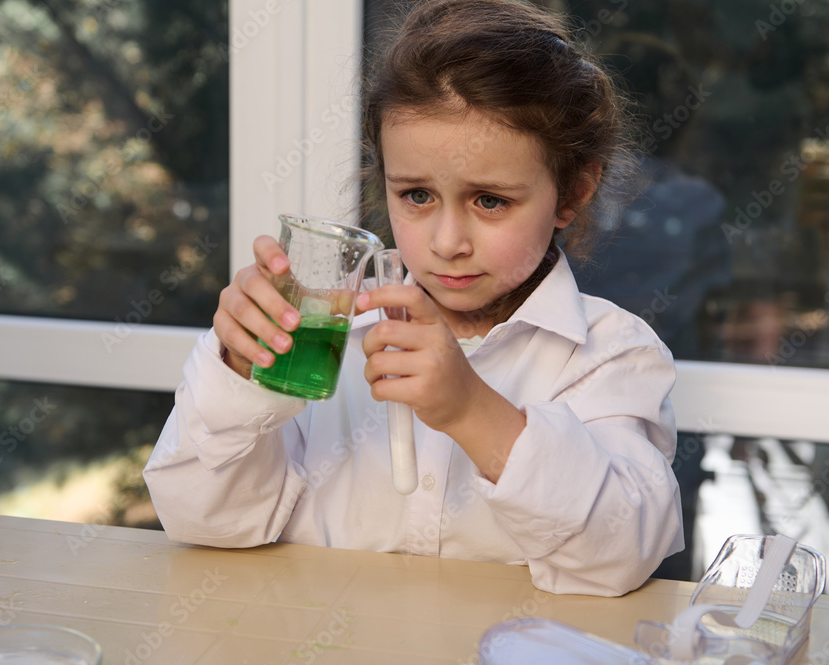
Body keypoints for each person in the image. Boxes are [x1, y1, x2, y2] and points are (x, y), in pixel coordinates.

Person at [144, 0, 683, 596]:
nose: (447, 242)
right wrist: (239, 373)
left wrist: (471, 411)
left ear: (573, 192)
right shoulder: (323, 337)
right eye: (418, 196)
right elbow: (203, 521)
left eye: (490, 201)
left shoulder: (612, 356)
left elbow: (620, 554)